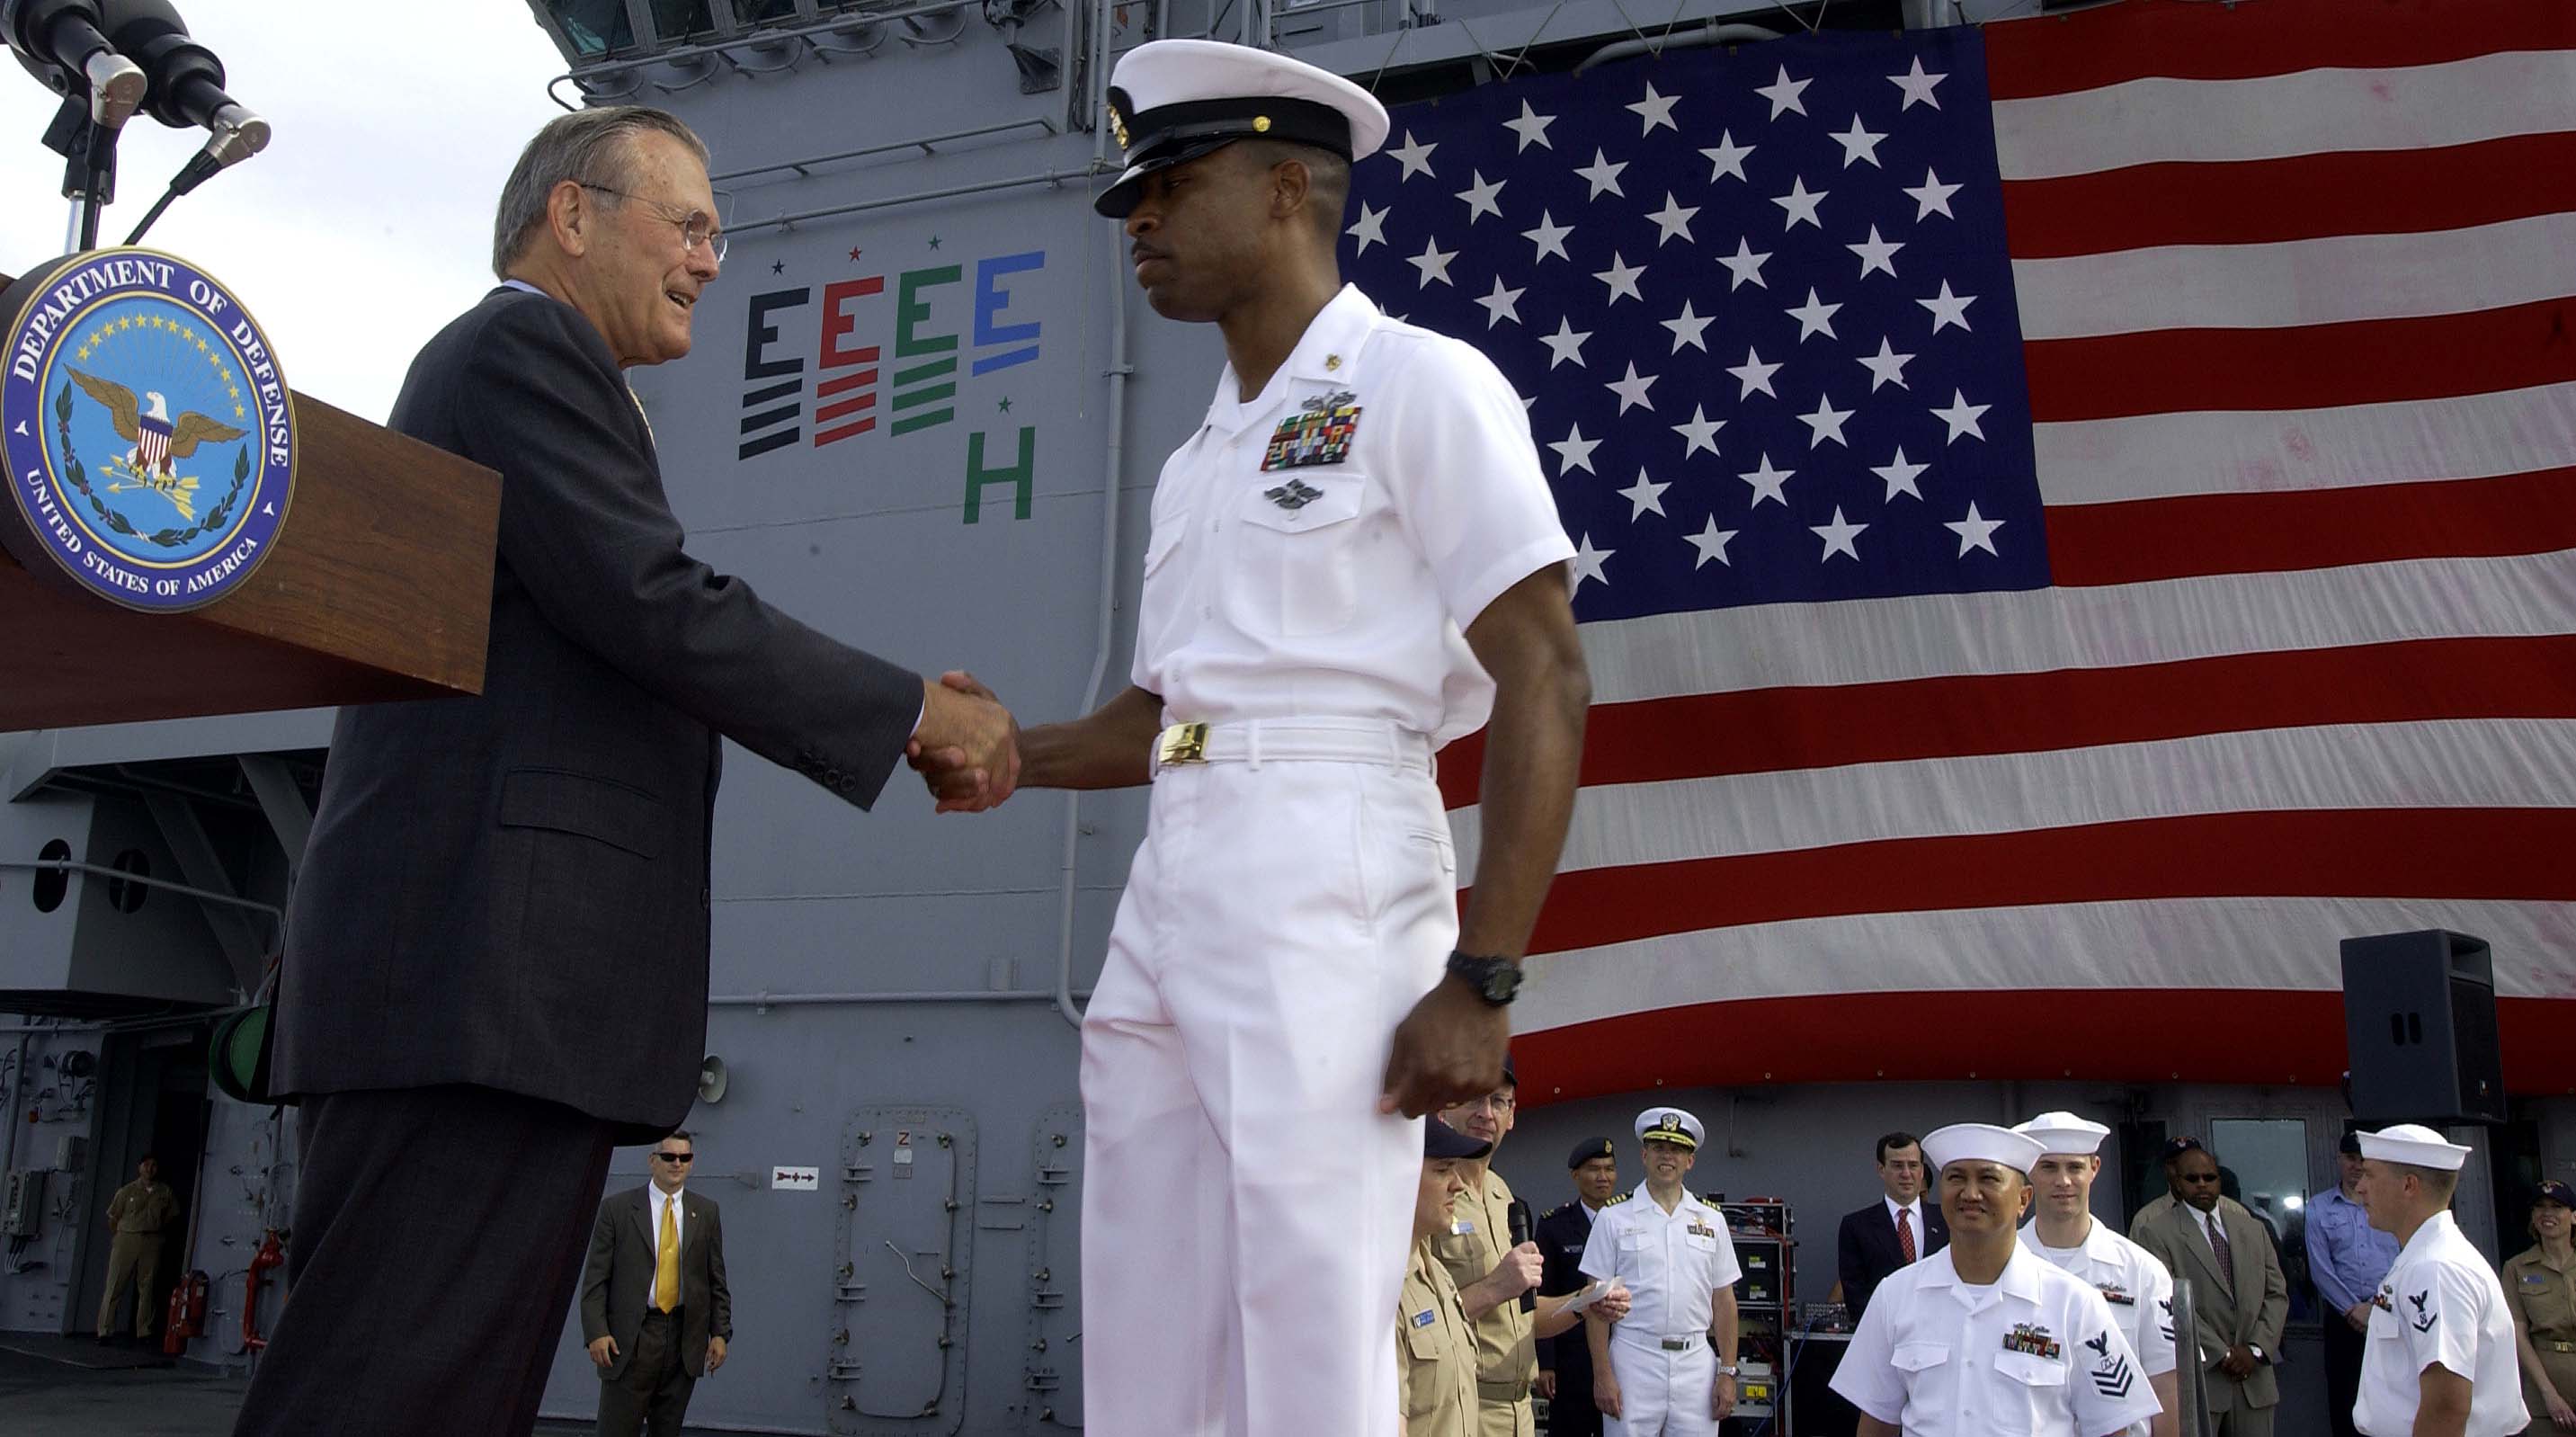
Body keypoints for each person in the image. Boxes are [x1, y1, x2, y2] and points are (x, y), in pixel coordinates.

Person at [236, 105, 1015, 1437]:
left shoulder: (545, 372)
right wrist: (909, 711)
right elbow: (647, 598)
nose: (711, 258)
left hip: (491, 998)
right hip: (473, 988)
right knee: (386, 1388)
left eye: (719, 234)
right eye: (690, 223)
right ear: (573, 216)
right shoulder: (519, 348)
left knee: (435, 1392)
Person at [909, 37, 1590, 1437]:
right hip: (1178, 870)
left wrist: (1485, 975)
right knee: (1148, 1304)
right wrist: (1019, 752)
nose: (1140, 219)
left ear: (1288, 188)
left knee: (1308, 1308)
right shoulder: (1197, 459)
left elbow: (1547, 670)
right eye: (1133, 197)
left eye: (1171, 184)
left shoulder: (1419, 382)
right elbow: (1168, 715)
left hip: (1330, 861)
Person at [1832, 1122, 2160, 1437]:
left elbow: (2111, 1426)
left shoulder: (2075, 1304)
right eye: (1956, 1178)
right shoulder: (1895, 1295)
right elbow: (1876, 1424)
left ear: (2023, 1200)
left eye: (1988, 1178)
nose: (1970, 1193)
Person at [1439, 1063, 1630, 1437]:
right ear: (1446, 1107)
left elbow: (1524, 1317)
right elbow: (1415, 1317)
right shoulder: (1428, 1195)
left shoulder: (1502, 1195)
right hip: (1461, 1407)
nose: (1486, 1113)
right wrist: (1495, 1286)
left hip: (1518, 1411)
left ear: (1511, 1116)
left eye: (1499, 1102)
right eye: (1475, 1099)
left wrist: (1585, 1302)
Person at [2351, 1123, 2527, 1437]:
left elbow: (2447, 1404)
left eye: (2369, 1174)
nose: (2360, 1187)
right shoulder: (2424, 1259)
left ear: (2409, 1185)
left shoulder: (2435, 1268)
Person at [2013, 1111, 2179, 1437]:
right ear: (2029, 1172)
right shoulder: (2003, 1264)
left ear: (2095, 1168)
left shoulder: (2141, 1271)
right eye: (2049, 1167)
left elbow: (2167, 1384)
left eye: (2075, 1167)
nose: (2063, 1181)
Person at [1581, 1107, 1743, 1434]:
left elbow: (1724, 1300)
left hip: (1695, 1365)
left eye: (1677, 1150)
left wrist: (1728, 1371)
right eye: (1658, 1148)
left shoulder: (1712, 1220)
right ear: (1644, 1155)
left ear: (1690, 1161)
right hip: (1633, 1360)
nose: (1667, 1156)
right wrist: (1602, 1373)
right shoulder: (1613, 1218)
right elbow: (1595, 1303)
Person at [2129, 1138, 2287, 1435]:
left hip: (2254, 1383)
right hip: (2202, 1381)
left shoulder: (2252, 1228)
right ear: (2177, 1182)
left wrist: (2254, 1350)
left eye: (2209, 1177)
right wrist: (2223, 1354)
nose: (2202, 1184)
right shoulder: (2156, 1232)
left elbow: (2276, 1294)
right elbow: (2169, 1304)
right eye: (2192, 1178)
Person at [580, 1133, 732, 1437]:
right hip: (632, 1338)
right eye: (669, 1157)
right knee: (616, 1429)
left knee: (667, 1429)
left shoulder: (706, 1212)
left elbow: (716, 1278)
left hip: (683, 1337)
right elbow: (596, 1279)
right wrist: (596, 1332)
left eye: (684, 1158)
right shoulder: (617, 1210)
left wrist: (720, 1333)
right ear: (653, 1161)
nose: (677, 1164)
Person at [1402, 1115, 1494, 1437]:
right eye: (1442, 1170)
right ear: (1401, 1176)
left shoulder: (1439, 1275)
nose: (1458, 1184)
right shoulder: (1383, 1289)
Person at [2306, 1130, 2402, 1437]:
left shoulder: (2390, 1204)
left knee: (2392, 1399)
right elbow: (2321, 1270)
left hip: (2389, 1313)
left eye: (2363, 1159)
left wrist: (2377, 1306)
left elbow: (2404, 1261)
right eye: (2350, 1158)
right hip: (2343, 1319)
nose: (2357, 1166)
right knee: (2345, 1402)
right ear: (2339, 1159)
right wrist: (2353, 1309)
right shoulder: (2319, 1207)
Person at [1538, 1138, 1627, 1436]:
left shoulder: (1631, 1223)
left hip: (1625, 1354)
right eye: (1594, 1169)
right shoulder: (1555, 1226)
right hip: (1572, 1359)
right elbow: (1543, 1295)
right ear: (1575, 1175)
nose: (1603, 1177)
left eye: (1609, 1169)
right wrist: (1546, 1363)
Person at [2502, 1180, 2576, 1436]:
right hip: (2544, 1386)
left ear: (2575, 1217)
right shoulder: (2516, 1268)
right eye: (2540, 1207)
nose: (2547, 1213)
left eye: (2557, 1207)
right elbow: (2517, 1332)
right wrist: (2548, 1394)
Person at [1836, 1132, 1949, 1324]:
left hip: (1940, 1331)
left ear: (1922, 1170)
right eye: (1897, 1165)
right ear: (1881, 1169)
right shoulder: (1856, 1227)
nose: (1906, 1173)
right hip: (1885, 1334)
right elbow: (1856, 1297)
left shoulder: (1947, 1220)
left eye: (1913, 1165)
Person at [94, 1154, 177, 1345]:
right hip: (127, 1238)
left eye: (154, 1165)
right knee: (115, 1285)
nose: (150, 1169)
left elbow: (171, 1215)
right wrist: (120, 1236)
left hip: (152, 1240)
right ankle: (105, 1330)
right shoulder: (126, 1191)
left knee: (148, 1287)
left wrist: (156, 1228)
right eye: (146, 1165)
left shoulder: (165, 1192)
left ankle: (144, 1331)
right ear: (139, 1167)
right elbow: (113, 1217)